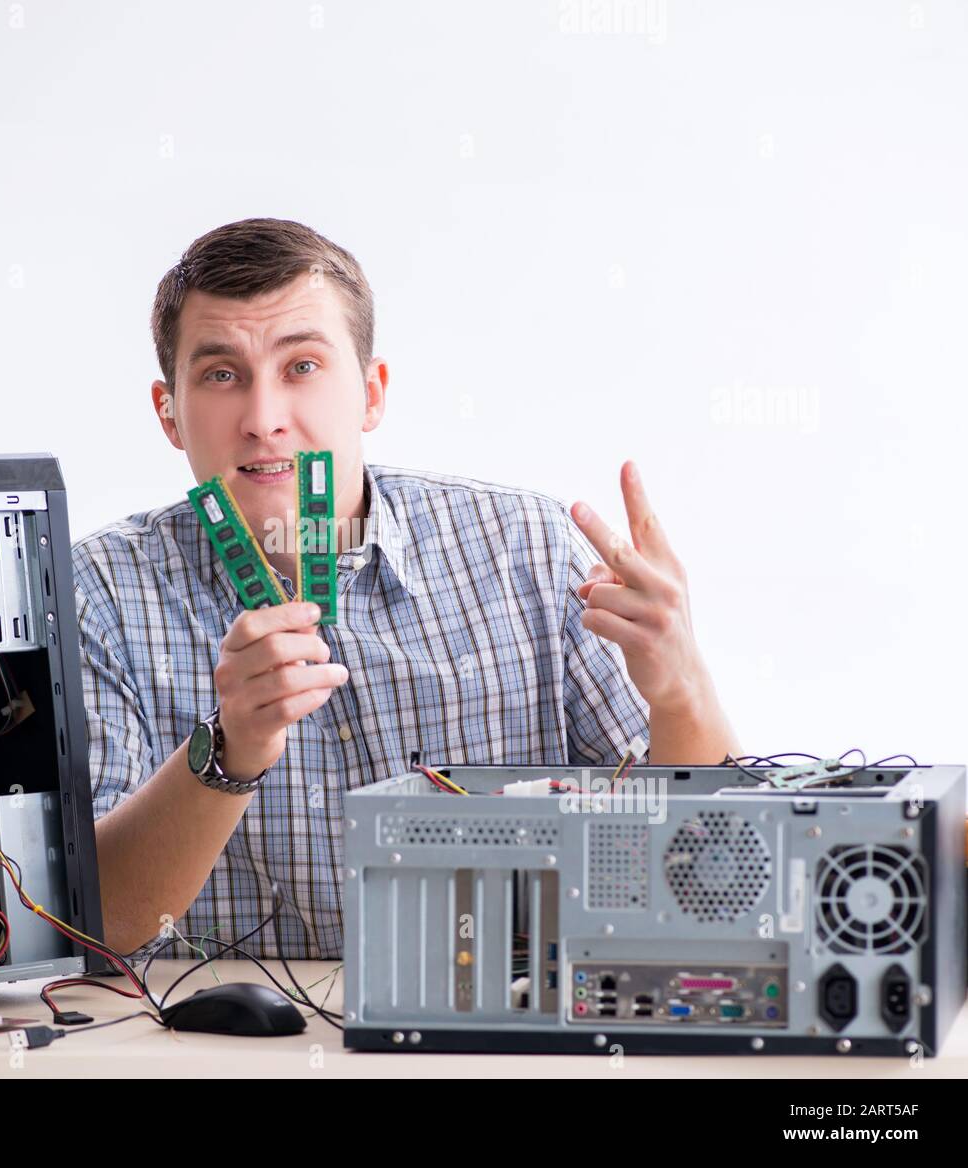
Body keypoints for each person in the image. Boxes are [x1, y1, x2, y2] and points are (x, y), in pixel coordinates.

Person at [72, 217, 740, 960]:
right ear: (170, 413)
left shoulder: (528, 550)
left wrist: (683, 692)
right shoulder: (98, 595)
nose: (263, 422)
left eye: (302, 368)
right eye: (222, 375)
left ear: (372, 394)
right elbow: (93, 924)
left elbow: (706, 878)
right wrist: (230, 752)